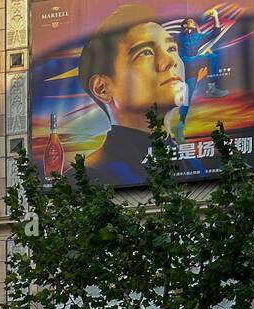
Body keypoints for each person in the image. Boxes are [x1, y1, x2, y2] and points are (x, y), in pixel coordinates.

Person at [72, 5, 198, 187]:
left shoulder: (193, 164)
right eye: (146, 53)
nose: (170, 61)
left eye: (171, 49)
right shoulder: (90, 176)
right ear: (102, 88)